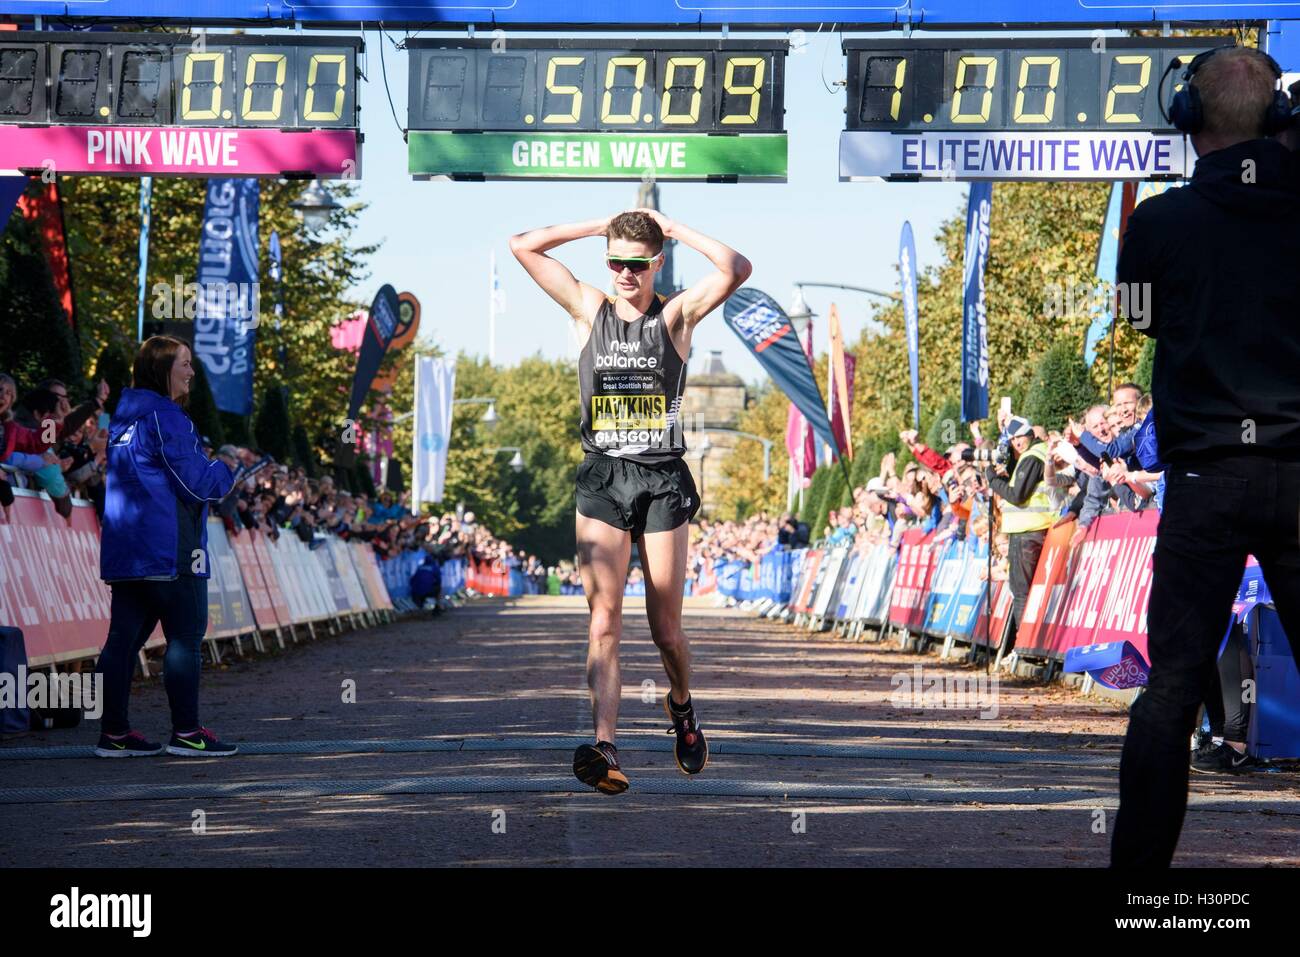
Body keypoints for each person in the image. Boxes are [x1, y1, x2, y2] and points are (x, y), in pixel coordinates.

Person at [1110, 45, 1300, 867]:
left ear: (1187, 121)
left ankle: (1140, 888)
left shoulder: (1155, 223)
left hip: (1203, 479)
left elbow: (1139, 320)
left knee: (1171, 688)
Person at [511, 208, 751, 794]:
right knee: (604, 621)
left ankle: (682, 707)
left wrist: (676, 229)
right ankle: (606, 746)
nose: (623, 272)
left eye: (634, 263)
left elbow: (736, 267)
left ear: (655, 264)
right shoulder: (587, 309)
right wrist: (596, 227)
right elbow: (523, 245)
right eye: (614, 261)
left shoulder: (675, 316)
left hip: (663, 478)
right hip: (604, 478)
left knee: (665, 629)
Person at [93, 336, 238, 758]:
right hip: (170, 548)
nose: (192, 373)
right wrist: (228, 471)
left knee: (121, 641)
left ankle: (114, 734)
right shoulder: (167, 416)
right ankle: (187, 732)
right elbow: (197, 482)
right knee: (185, 638)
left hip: (126, 548)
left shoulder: (122, 418)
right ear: (163, 369)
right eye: (186, 364)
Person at [983, 415, 1053, 653]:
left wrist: (992, 479)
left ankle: (1025, 647)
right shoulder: (1031, 455)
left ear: (1030, 434)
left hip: (1029, 531)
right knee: (1025, 590)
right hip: (1030, 530)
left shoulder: (1033, 456)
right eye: (1012, 439)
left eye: (1019, 437)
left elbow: (1017, 495)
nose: (1016, 442)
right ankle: (1027, 645)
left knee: (1022, 591)